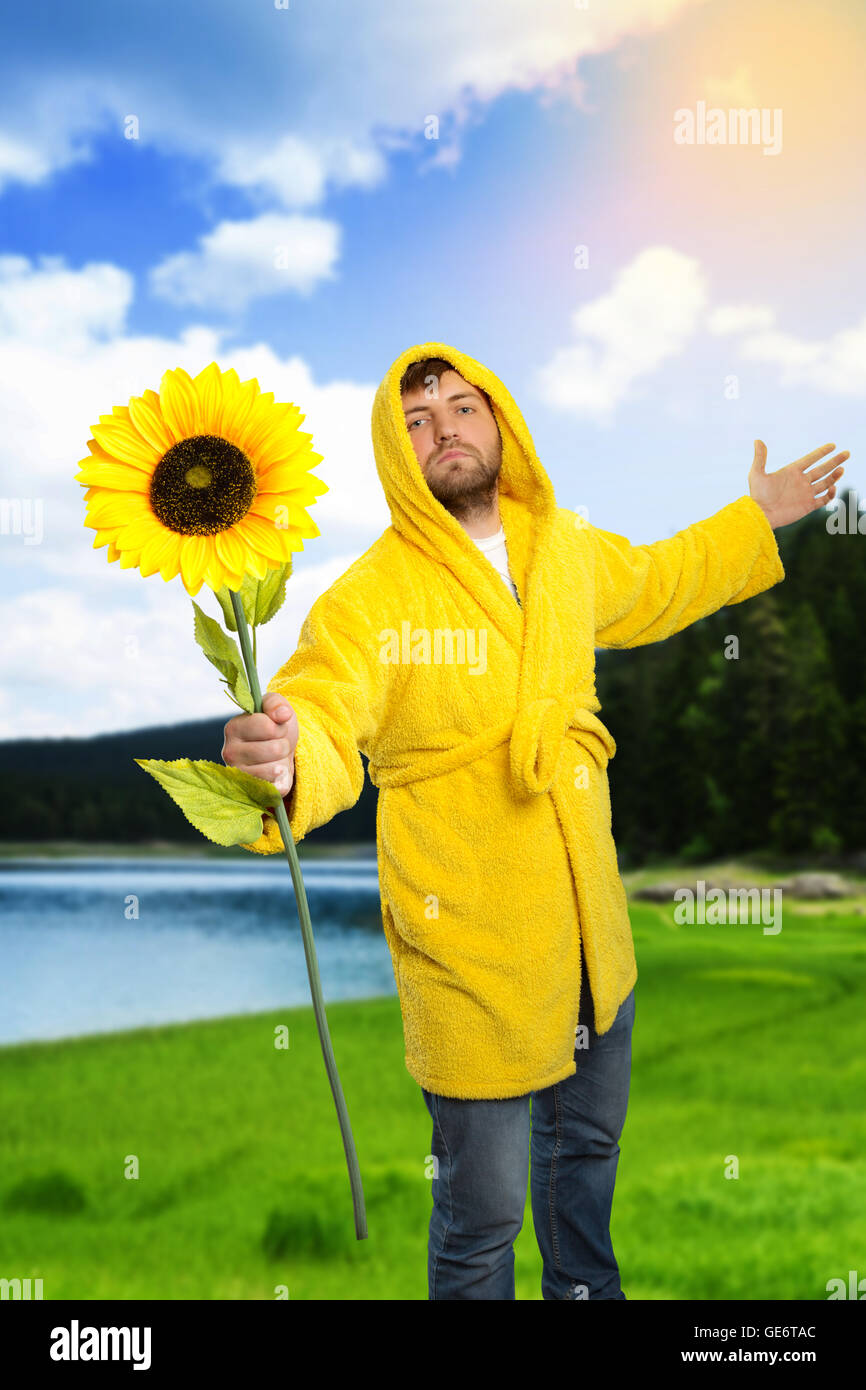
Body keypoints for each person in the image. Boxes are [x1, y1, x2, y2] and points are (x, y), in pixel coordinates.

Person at [222, 342, 847, 1299]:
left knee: (586, 1167)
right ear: (398, 454)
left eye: (463, 408)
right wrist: (287, 754)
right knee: (481, 1221)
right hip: (469, 943)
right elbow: (326, 706)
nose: (445, 431)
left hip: (592, 926)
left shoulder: (562, 546)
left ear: (501, 422)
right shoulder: (371, 598)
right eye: (418, 423)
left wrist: (752, 519)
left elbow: (662, 580)